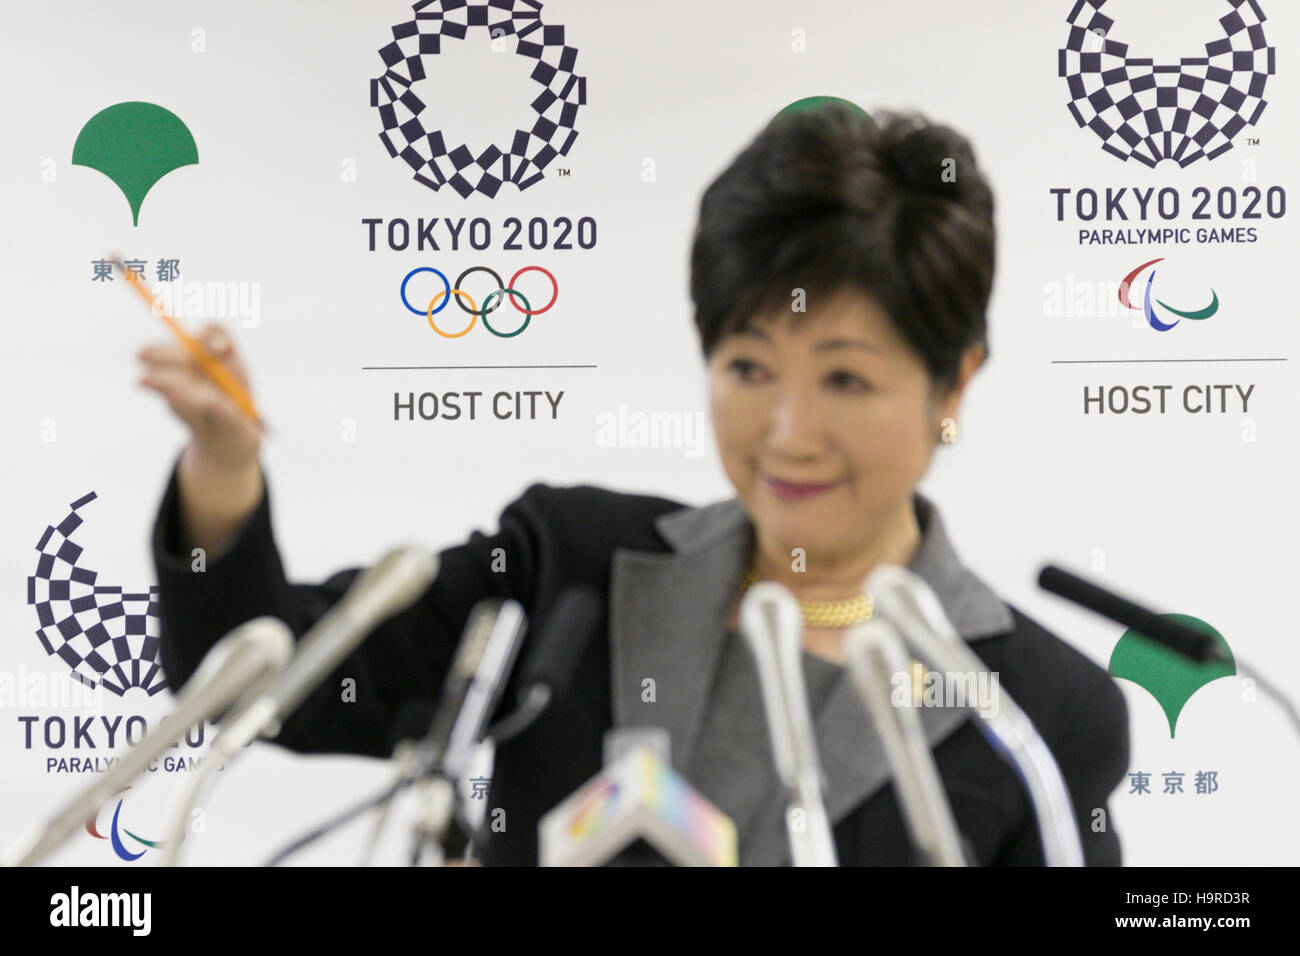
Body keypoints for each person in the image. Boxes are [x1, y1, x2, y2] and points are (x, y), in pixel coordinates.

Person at [139, 100, 1128, 866]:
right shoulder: (568, 566)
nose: (788, 432)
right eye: (747, 367)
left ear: (952, 381)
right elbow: (253, 682)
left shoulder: (1042, 711)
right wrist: (222, 475)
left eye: (844, 378)